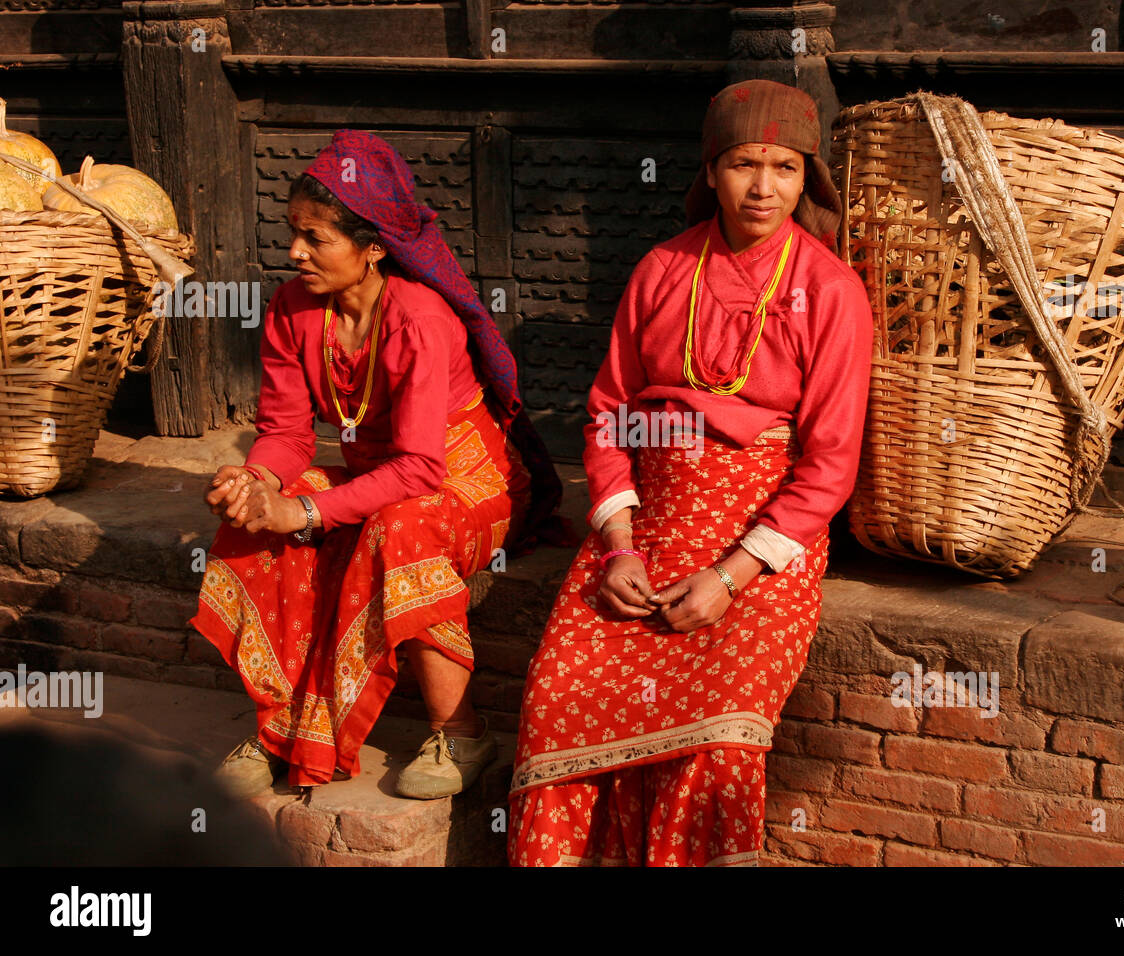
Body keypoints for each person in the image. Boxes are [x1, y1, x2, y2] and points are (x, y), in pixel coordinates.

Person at [507, 79, 873, 865]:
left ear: (808, 176)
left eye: (785, 167)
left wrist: (732, 577)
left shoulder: (832, 291)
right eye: (745, 164)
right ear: (711, 170)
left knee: (720, 736)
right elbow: (608, 414)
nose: (764, 187)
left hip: (763, 538)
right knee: (554, 696)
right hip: (650, 521)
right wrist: (618, 544)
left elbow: (831, 462)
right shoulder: (662, 270)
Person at [190, 130, 560, 801]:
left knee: (401, 528)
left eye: (316, 238)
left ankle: (464, 732)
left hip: (462, 482)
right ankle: (282, 724)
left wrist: (304, 509)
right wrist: (259, 482)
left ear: (374, 247)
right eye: (293, 233)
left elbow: (421, 469)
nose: (295, 252)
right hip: (377, 478)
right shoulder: (292, 309)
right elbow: (284, 432)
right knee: (254, 523)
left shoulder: (418, 320)